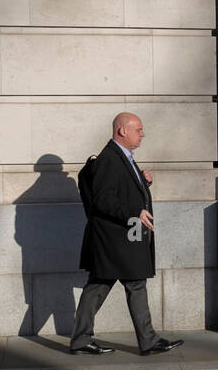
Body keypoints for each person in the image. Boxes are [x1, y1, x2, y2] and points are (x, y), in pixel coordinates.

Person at [70, 112, 183, 356]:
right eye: (138, 130)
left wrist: (142, 183)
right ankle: (147, 340)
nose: (142, 134)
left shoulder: (121, 157)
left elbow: (118, 191)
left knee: (109, 284)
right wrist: (135, 211)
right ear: (122, 131)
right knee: (126, 283)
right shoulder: (109, 159)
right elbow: (103, 199)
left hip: (121, 236)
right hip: (115, 237)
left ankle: (83, 339)